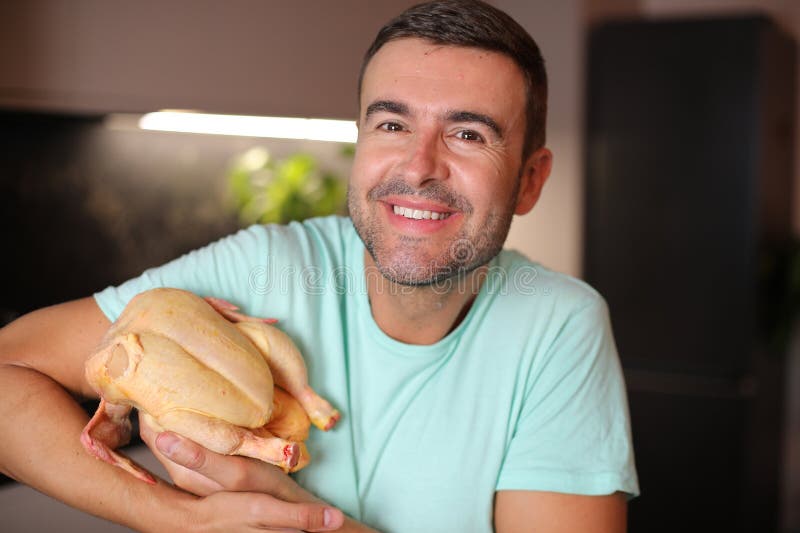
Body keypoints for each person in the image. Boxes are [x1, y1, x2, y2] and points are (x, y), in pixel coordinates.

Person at [0, 0, 639, 531]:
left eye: (468, 134)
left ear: (529, 180)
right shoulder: (271, 267)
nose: (419, 166)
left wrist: (301, 517)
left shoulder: (556, 325)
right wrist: (175, 518)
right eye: (392, 125)